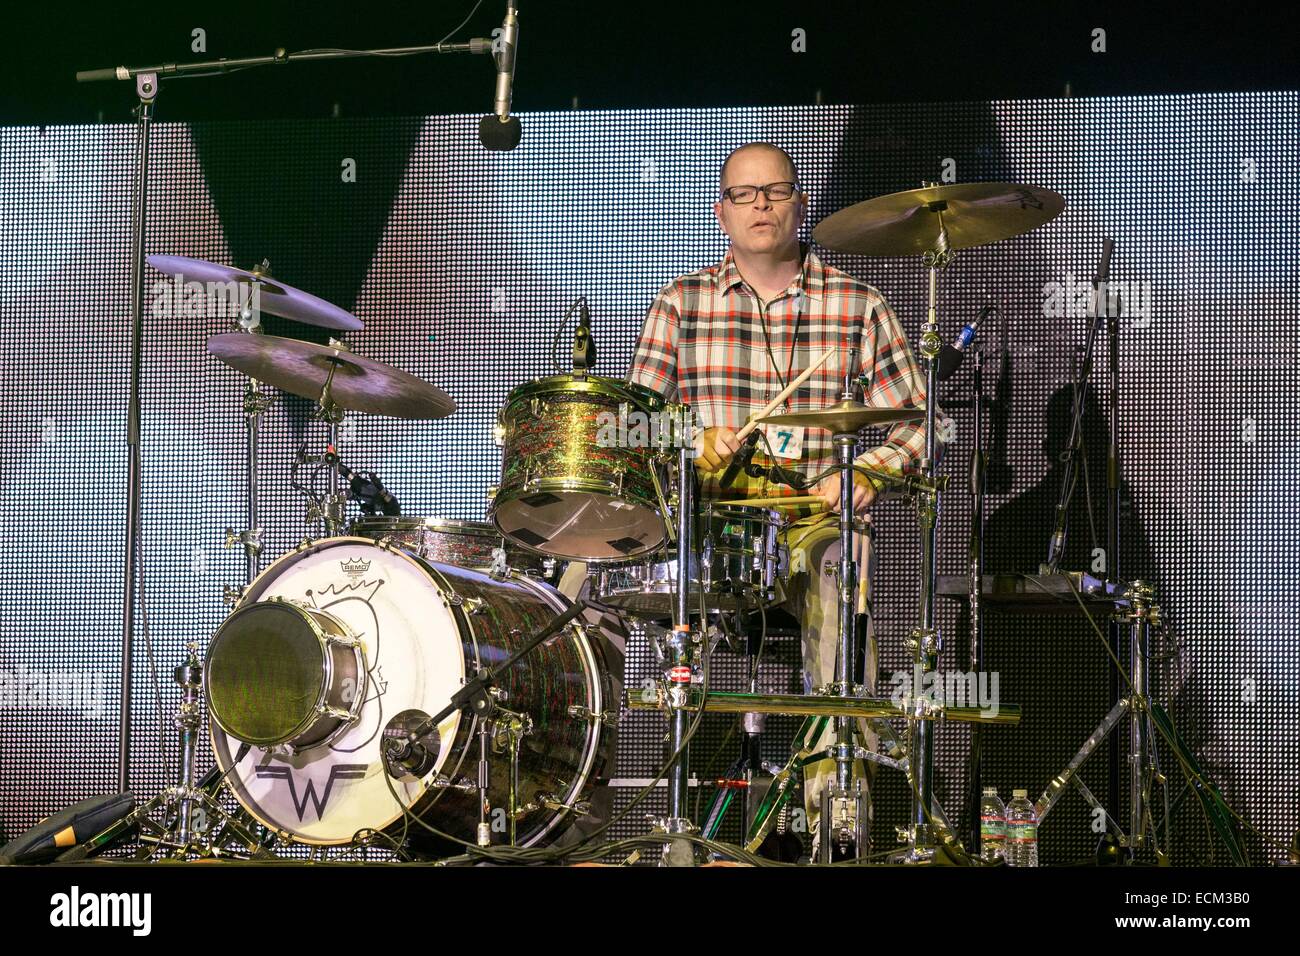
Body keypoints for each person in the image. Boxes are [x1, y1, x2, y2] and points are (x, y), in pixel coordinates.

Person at [626, 142, 929, 856]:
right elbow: (633, 426)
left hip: (808, 523)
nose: (760, 205)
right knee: (583, 569)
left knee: (840, 561)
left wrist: (864, 475)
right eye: (744, 194)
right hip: (701, 524)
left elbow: (919, 423)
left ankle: (835, 821)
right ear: (720, 212)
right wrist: (689, 440)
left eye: (774, 192)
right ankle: (573, 793)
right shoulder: (681, 303)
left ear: (800, 205)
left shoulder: (857, 306)